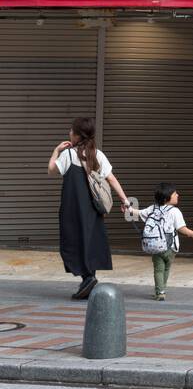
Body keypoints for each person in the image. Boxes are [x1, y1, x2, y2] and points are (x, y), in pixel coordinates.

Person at [48, 117, 130, 300]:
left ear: (77, 135)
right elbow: (111, 179)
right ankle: (89, 278)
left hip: (72, 208)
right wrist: (124, 200)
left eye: (71, 131)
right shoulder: (97, 155)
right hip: (92, 209)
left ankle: (87, 278)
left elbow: (51, 170)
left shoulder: (68, 155)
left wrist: (56, 151)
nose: (69, 133)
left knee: (71, 242)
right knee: (91, 241)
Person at [136, 182, 193, 301]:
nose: (177, 195)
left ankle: (160, 292)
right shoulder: (174, 211)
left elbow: (139, 212)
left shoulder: (153, 208)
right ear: (167, 197)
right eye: (175, 193)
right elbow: (182, 228)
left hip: (155, 245)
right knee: (166, 269)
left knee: (158, 269)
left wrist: (128, 209)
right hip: (170, 247)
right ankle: (162, 290)